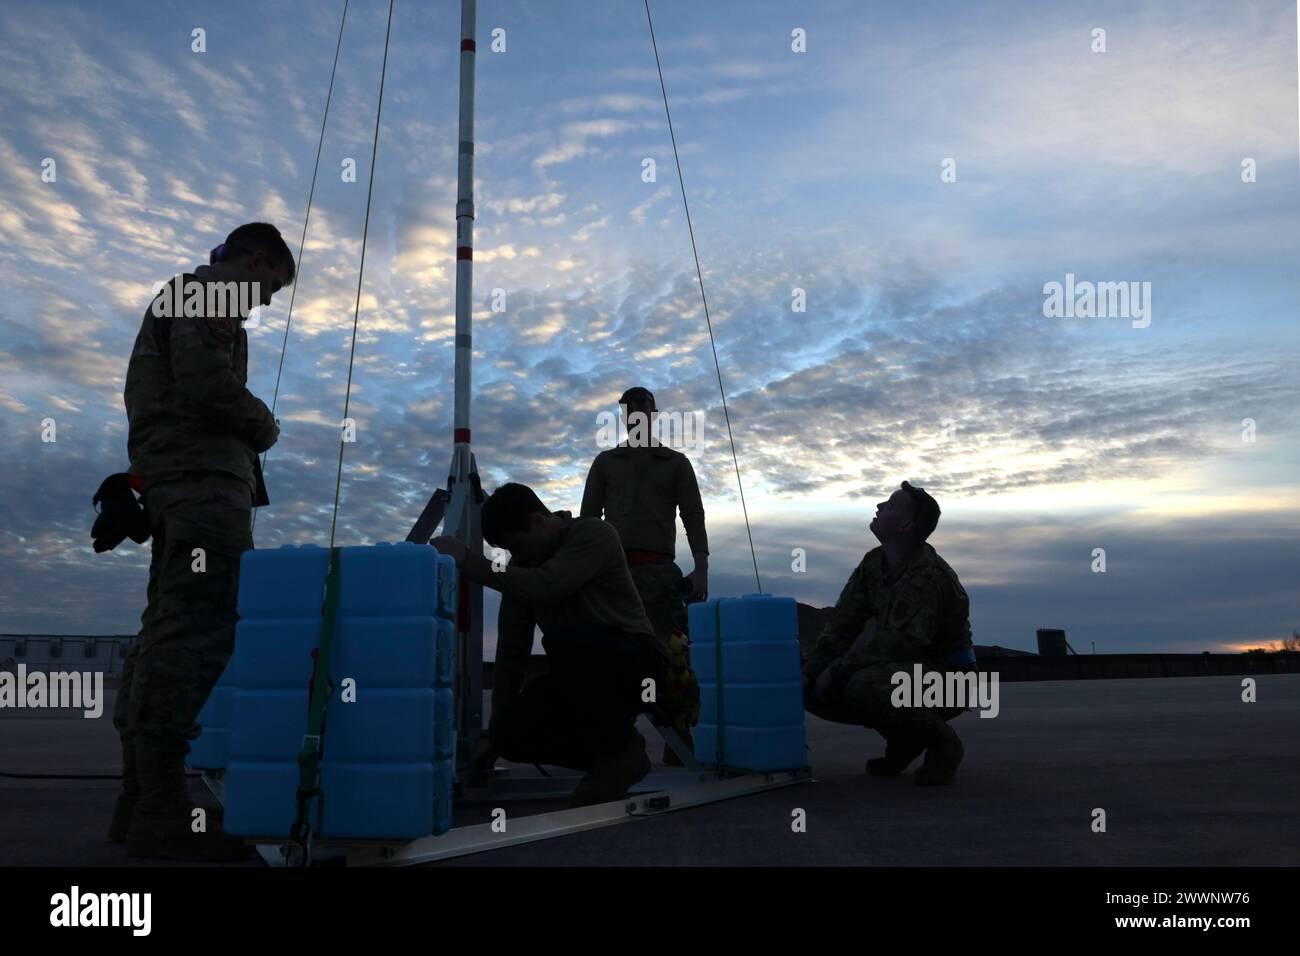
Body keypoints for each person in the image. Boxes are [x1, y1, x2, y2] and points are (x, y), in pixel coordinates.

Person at [110, 222, 294, 859]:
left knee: (166, 625)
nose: (265, 302)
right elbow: (206, 385)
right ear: (252, 258)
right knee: (200, 626)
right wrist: (264, 424)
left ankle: (142, 799)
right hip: (201, 484)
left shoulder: (186, 295)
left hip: (176, 481)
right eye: (269, 284)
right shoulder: (210, 291)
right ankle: (160, 808)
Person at [430, 483, 670, 807]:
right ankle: (620, 757)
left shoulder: (593, 535)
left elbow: (548, 585)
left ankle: (616, 752)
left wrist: (468, 561)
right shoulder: (522, 570)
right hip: (577, 673)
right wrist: (496, 733)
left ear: (539, 521)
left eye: (519, 545)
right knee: (511, 735)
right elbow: (512, 651)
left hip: (637, 666)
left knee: (569, 641)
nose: (518, 556)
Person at [802, 482, 975, 785]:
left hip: (952, 681)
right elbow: (842, 625)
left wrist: (836, 671)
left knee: (866, 684)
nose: (881, 506)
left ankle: (943, 744)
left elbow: (899, 645)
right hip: (908, 672)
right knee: (806, 683)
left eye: (892, 505)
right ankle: (906, 739)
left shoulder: (927, 576)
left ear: (907, 525)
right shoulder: (873, 563)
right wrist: (811, 671)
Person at [580, 386, 706, 764]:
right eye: (630, 406)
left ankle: (678, 738)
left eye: (643, 406)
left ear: (655, 413)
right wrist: (584, 573)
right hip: (613, 574)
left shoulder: (675, 463)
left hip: (659, 573)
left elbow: (693, 516)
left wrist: (701, 568)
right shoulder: (606, 463)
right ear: (623, 414)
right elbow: (589, 521)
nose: (637, 411)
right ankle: (618, 743)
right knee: (610, 656)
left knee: (671, 656)